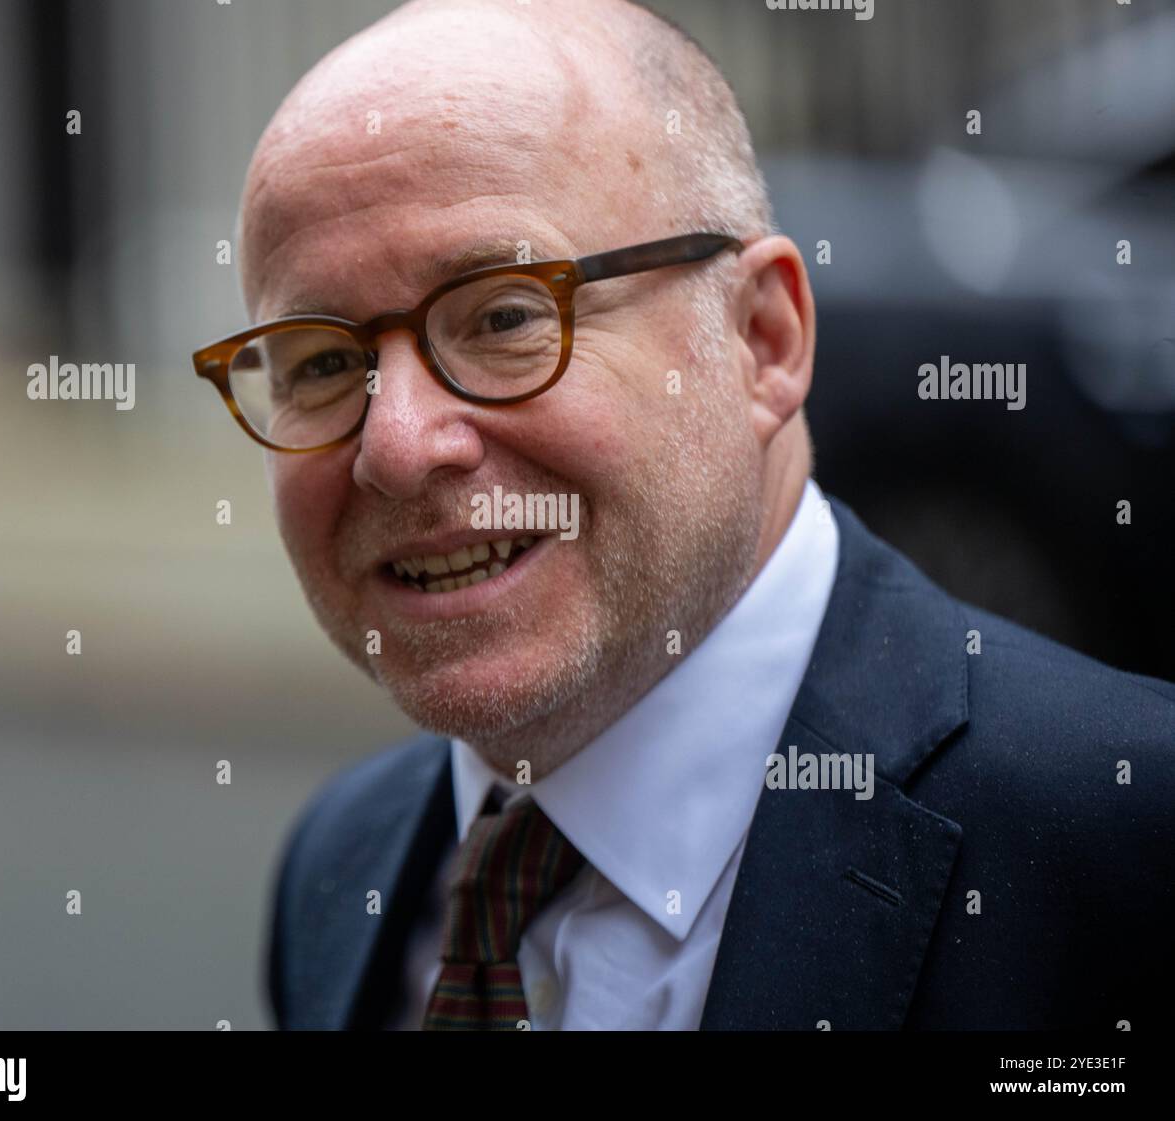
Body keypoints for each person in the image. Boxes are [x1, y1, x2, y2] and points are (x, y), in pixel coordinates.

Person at [193, 0, 1175, 1029]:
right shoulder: (341, 862)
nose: (394, 445)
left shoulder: (1123, 840)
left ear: (761, 338)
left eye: (504, 316)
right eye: (324, 362)